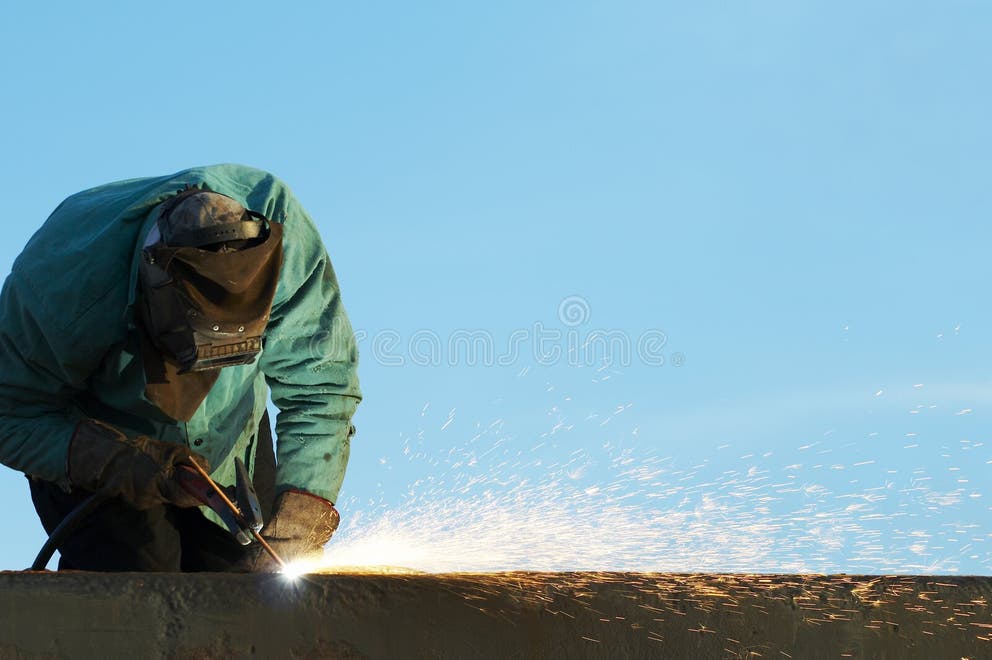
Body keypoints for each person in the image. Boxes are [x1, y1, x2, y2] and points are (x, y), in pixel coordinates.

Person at [0, 164, 361, 572]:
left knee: (244, 591)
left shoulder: (280, 230)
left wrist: (302, 513)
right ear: (153, 289)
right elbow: (8, 412)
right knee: (140, 579)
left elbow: (321, 387)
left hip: (232, 441)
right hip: (100, 444)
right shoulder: (61, 288)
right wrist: (117, 460)